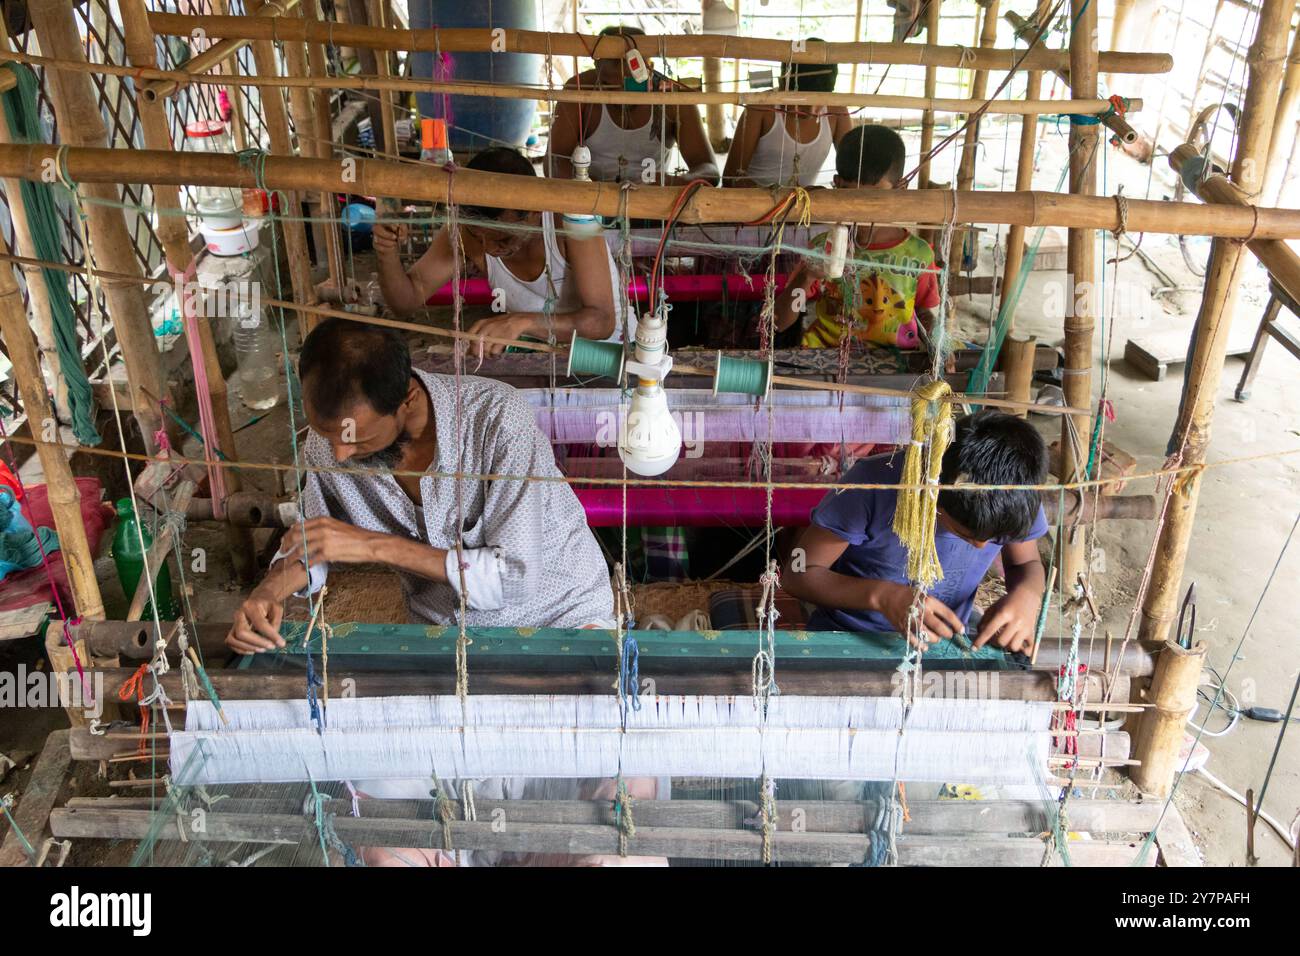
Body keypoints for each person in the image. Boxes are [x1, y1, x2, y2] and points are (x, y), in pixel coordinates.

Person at [225, 319, 663, 867]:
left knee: (619, 815)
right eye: (327, 436)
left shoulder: (495, 419)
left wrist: (373, 546)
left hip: (564, 629)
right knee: (378, 823)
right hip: (453, 651)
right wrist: (273, 587)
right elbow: (312, 544)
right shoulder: (330, 443)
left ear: (407, 399)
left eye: (353, 439)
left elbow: (513, 578)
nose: (337, 456)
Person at [781, 411, 1049, 653]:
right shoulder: (871, 487)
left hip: (941, 641)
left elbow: (1027, 563)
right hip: (847, 637)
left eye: (996, 540)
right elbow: (797, 572)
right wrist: (883, 596)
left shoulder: (1016, 496)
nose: (981, 547)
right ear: (933, 490)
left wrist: (1027, 596)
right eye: (964, 534)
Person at [372, 146, 633, 355]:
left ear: (534, 211)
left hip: (614, 355)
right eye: (477, 235)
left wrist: (520, 322)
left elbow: (601, 321)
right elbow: (405, 301)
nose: (487, 249)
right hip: (544, 357)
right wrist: (386, 252)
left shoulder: (570, 220)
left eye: (503, 239)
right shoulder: (468, 229)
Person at [774, 124, 940, 352]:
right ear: (838, 185)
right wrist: (806, 277)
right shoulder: (823, 247)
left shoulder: (919, 254)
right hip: (826, 358)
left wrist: (936, 340)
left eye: (874, 197)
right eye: (853, 194)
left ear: (900, 188)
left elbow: (922, 311)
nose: (863, 209)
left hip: (894, 361)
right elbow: (779, 321)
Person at [548, 25, 720, 185]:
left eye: (632, 82)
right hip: (591, 204)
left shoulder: (672, 99)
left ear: (649, 68)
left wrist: (676, 182)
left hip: (654, 206)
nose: (622, 90)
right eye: (610, 85)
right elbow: (554, 161)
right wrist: (585, 186)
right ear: (597, 66)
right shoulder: (580, 90)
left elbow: (709, 169)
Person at [723, 55, 852, 188]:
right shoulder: (760, 109)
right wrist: (777, 199)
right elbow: (730, 178)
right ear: (782, 84)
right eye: (801, 101)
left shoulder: (837, 113)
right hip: (755, 204)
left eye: (819, 101)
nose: (810, 111)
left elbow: (853, 175)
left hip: (803, 205)